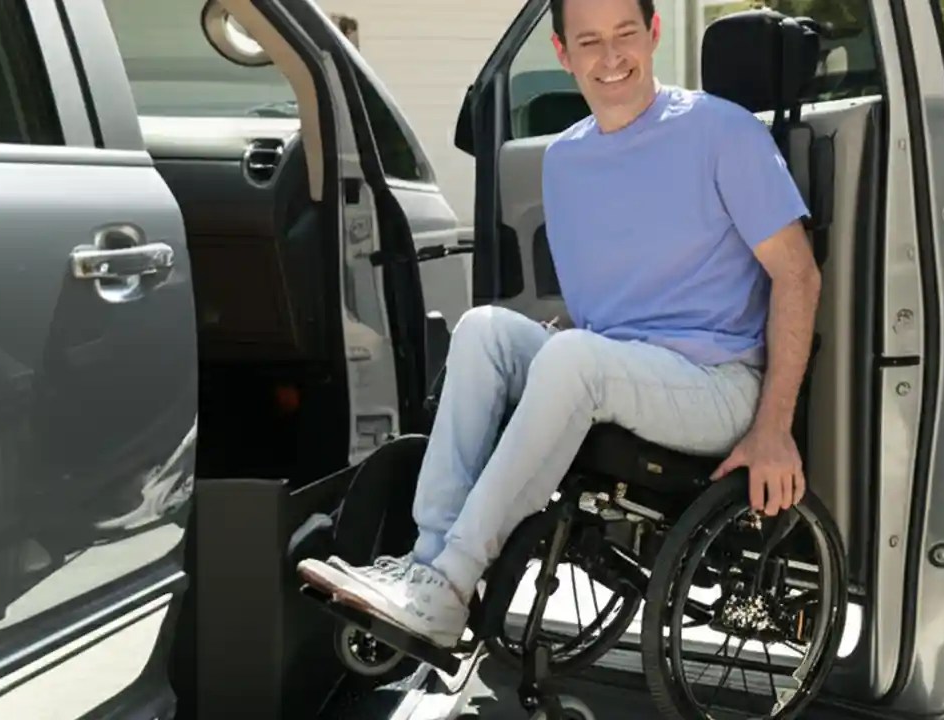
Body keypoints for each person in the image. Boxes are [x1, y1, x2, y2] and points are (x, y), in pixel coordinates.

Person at [298, 0, 821, 649]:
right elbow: (600, 311)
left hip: (716, 384)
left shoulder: (723, 132)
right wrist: (551, 360)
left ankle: (455, 579)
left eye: (626, 35)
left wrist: (773, 428)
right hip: (616, 365)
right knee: (486, 329)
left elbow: (798, 276)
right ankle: (427, 565)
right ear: (562, 53)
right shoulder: (566, 161)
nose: (611, 58)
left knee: (574, 358)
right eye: (590, 42)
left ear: (653, 34)